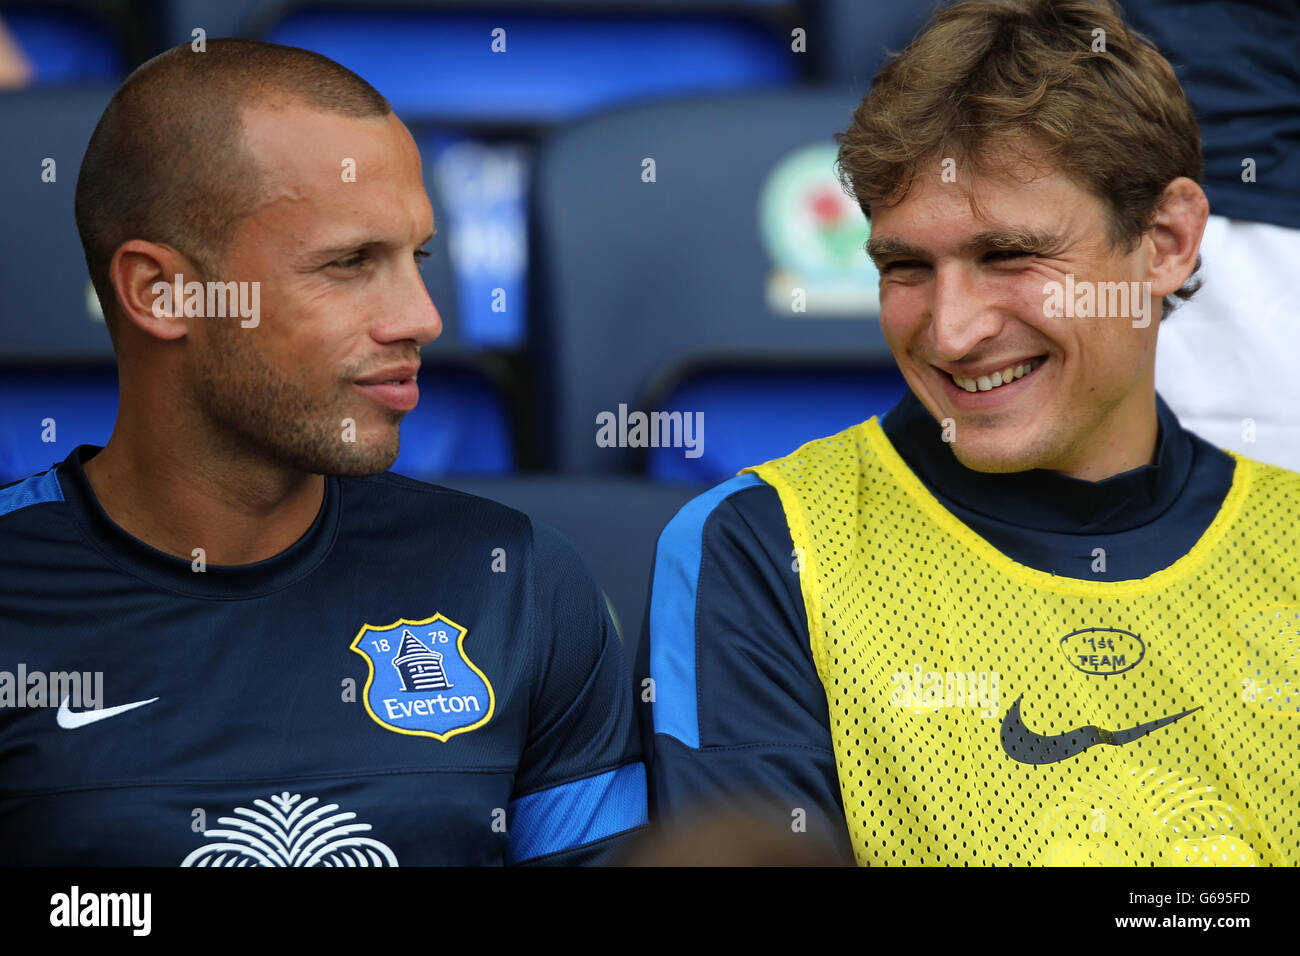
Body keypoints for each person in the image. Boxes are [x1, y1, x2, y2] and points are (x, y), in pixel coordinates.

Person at [637, 0, 1300, 866]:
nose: (951, 332)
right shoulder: (762, 546)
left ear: (1167, 241)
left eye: (1009, 256)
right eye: (905, 266)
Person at [0, 39, 645, 865]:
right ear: (161, 293)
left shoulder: (517, 583)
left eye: (417, 259)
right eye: (349, 264)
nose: (421, 317)